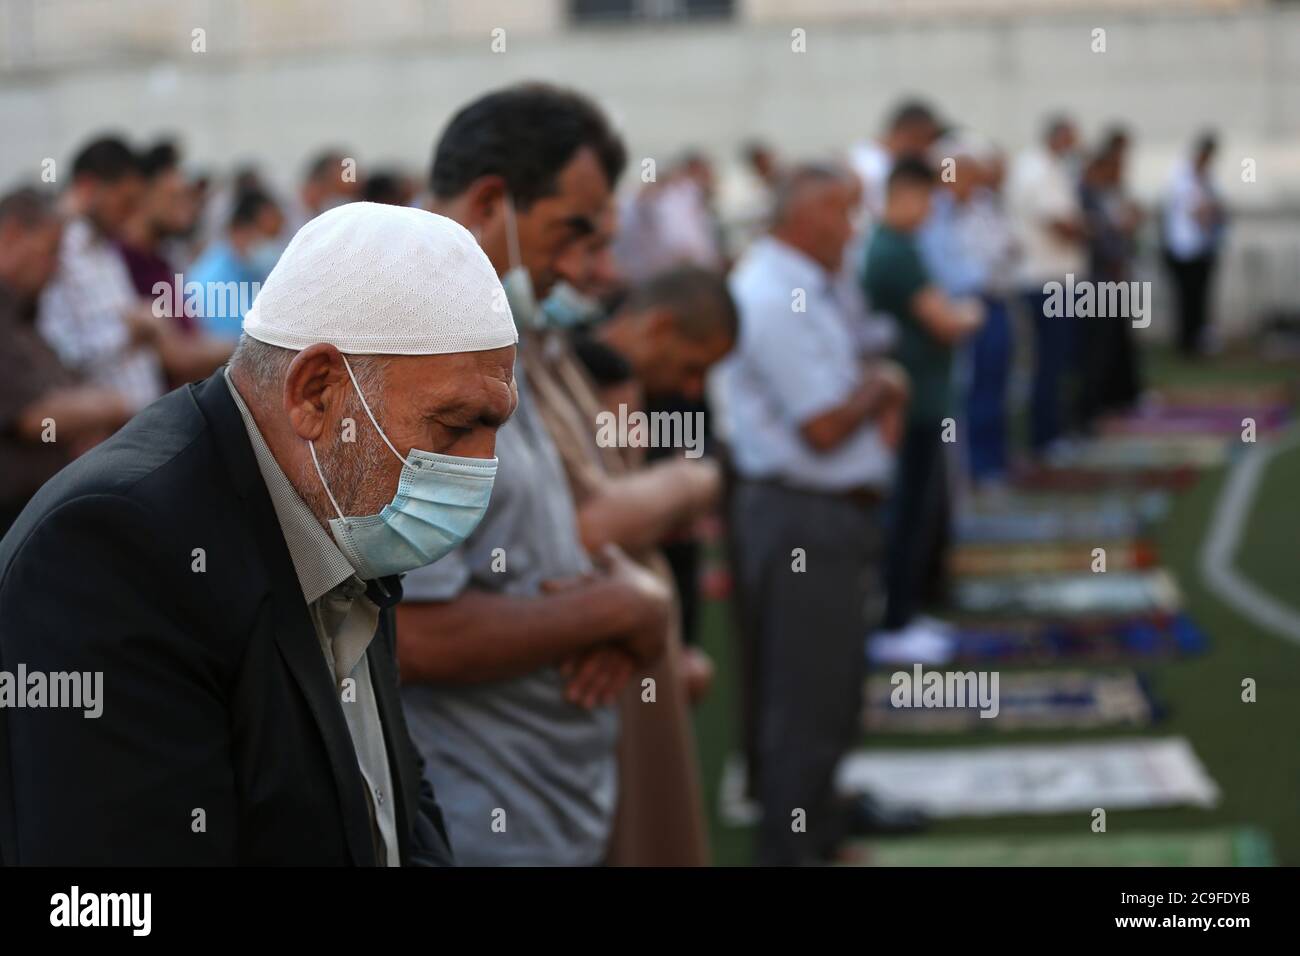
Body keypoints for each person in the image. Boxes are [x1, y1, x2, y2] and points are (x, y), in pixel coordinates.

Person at [0, 201, 517, 865]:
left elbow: (391, 804)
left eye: (494, 428)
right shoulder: (114, 551)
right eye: (453, 428)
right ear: (316, 392)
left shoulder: (340, 502)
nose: (479, 468)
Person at [397, 83, 675, 867]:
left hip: (540, 806)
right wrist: (615, 611)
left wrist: (623, 610)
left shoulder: (498, 329)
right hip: (476, 813)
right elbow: (412, 634)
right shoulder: (412, 347)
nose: (580, 269)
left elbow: (529, 548)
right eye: (568, 235)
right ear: (491, 203)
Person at [718, 163, 914, 866]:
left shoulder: (803, 283)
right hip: (801, 513)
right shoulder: (774, 294)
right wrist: (884, 388)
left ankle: (818, 833)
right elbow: (825, 425)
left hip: (819, 510)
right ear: (804, 216)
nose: (853, 227)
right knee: (804, 697)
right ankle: (794, 850)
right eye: (843, 212)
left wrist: (875, 393)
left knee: (824, 688)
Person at [864, 157, 982, 631]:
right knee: (907, 512)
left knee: (920, 510)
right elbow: (946, 322)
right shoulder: (892, 249)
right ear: (906, 193)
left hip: (922, 398)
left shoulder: (901, 245)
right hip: (912, 404)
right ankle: (897, 620)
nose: (932, 208)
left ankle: (907, 611)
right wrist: (969, 313)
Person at [0, 187, 132, 536]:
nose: (56, 269)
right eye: (51, 252)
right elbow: (35, 416)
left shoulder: (24, 318)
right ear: (12, 235)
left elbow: (64, 388)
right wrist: (117, 405)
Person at [37, 135, 167, 412]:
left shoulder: (107, 249)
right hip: (102, 431)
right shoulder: (56, 253)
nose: (130, 216)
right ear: (87, 189)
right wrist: (130, 332)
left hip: (139, 418)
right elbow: (61, 351)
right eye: (125, 203)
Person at [919, 140, 1017, 485]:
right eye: (966, 175)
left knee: (991, 387)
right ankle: (971, 469)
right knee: (966, 394)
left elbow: (1007, 248)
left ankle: (989, 462)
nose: (973, 182)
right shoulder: (933, 215)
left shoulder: (979, 207)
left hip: (987, 305)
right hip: (958, 312)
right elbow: (947, 273)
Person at [118, 139, 235, 385]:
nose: (189, 208)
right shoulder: (117, 262)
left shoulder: (164, 259)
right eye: (175, 197)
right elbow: (178, 358)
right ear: (142, 192)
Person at [1008, 114, 1087, 453]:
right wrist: (1093, 230)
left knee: (1058, 359)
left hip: (1057, 278)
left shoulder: (1051, 167)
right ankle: (1045, 436)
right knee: (1049, 361)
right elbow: (1061, 224)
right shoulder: (1036, 169)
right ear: (1058, 137)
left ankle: (1054, 429)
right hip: (1045, 279)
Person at [1077, 130, 1143, 427]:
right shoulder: (1085, 197)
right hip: (1097, 282)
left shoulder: (1107, 195)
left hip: (1113, 280)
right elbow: (1099, 237)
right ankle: (1094, 407)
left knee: (1116, 342)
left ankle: (1117, 398)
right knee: (1096, 349)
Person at [187, 188, 285, 340]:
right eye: (268, 236)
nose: (273, 246)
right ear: (241, 230)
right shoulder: (213, 281)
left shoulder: (248, 269)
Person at [1162, 131, 1226, 357]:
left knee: (1199, 298)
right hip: (1182, 248)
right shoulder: (1182, 174)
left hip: (1202, 247)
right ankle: (1186, 344)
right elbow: (1199, 210)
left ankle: (1197, 341)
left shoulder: (1206, 177)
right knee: (1186, 298)